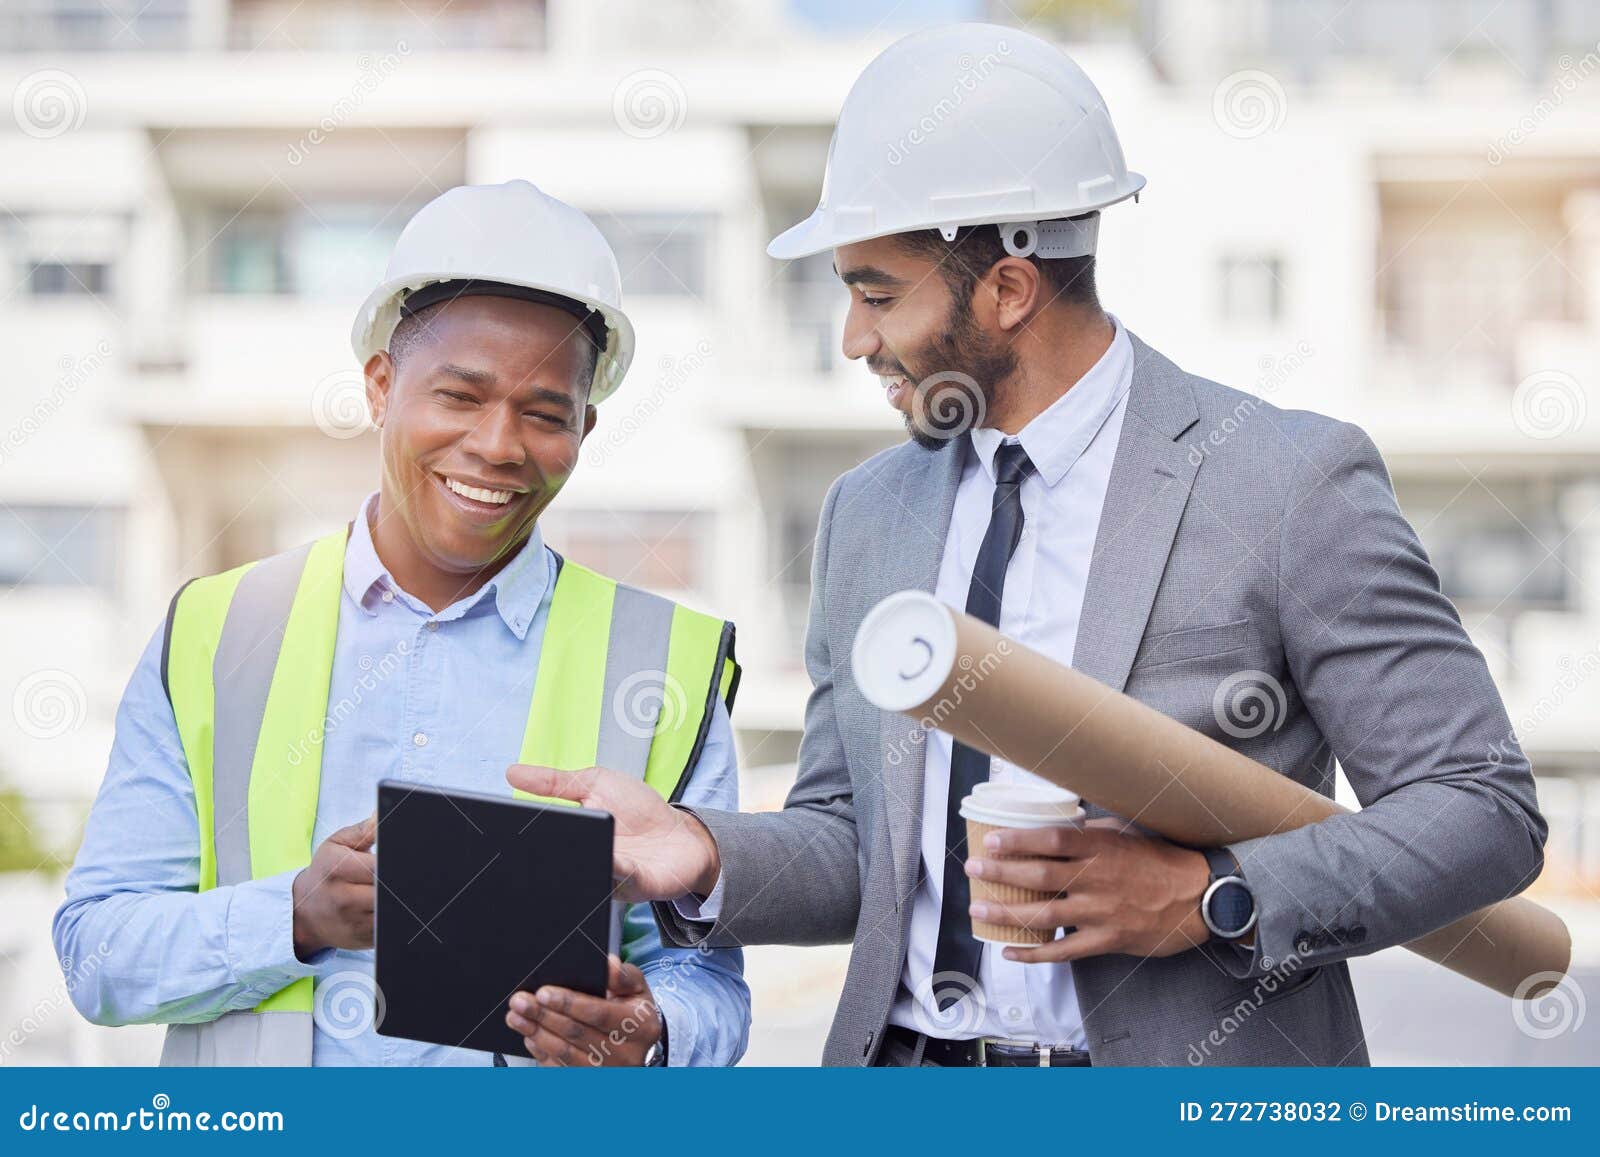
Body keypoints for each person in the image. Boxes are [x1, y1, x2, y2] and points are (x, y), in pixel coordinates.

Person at [508, 25, 1547, 1067]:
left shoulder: (1281, 483)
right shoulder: (868, 512)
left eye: (877, 295)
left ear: (1008, 289)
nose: (854, 339)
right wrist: (700, 848)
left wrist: (1210, 895)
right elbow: (856, 839)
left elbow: (1482, 808)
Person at [53, 180, 750, 1067]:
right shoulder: (217, 633)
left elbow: (708, 984)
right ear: (381, 386)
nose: (499, 445)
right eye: (460, 396)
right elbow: (96, 955)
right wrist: (293, 917)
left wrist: (653, 1034)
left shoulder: (667, 666)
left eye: (545, 414)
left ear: (586, 425)